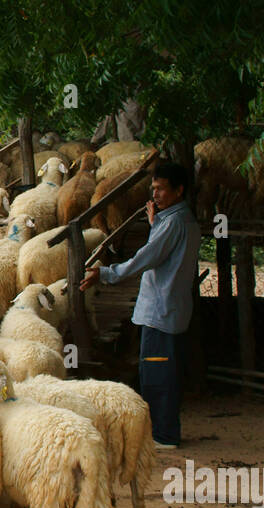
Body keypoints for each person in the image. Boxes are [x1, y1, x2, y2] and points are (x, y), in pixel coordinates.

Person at [80, 162, 200, 448]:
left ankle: (164, 434)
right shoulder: (180, 220)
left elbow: (146, 257)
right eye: (153, 188)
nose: (155, 194)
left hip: (160, 310)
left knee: (158, 375)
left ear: (179, 190)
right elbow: (166, 249)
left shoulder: (173, 223)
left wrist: (106, 273)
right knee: (161, 371)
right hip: (169, 308)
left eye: (161, 189)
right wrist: (156, 224)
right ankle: (163, 430)